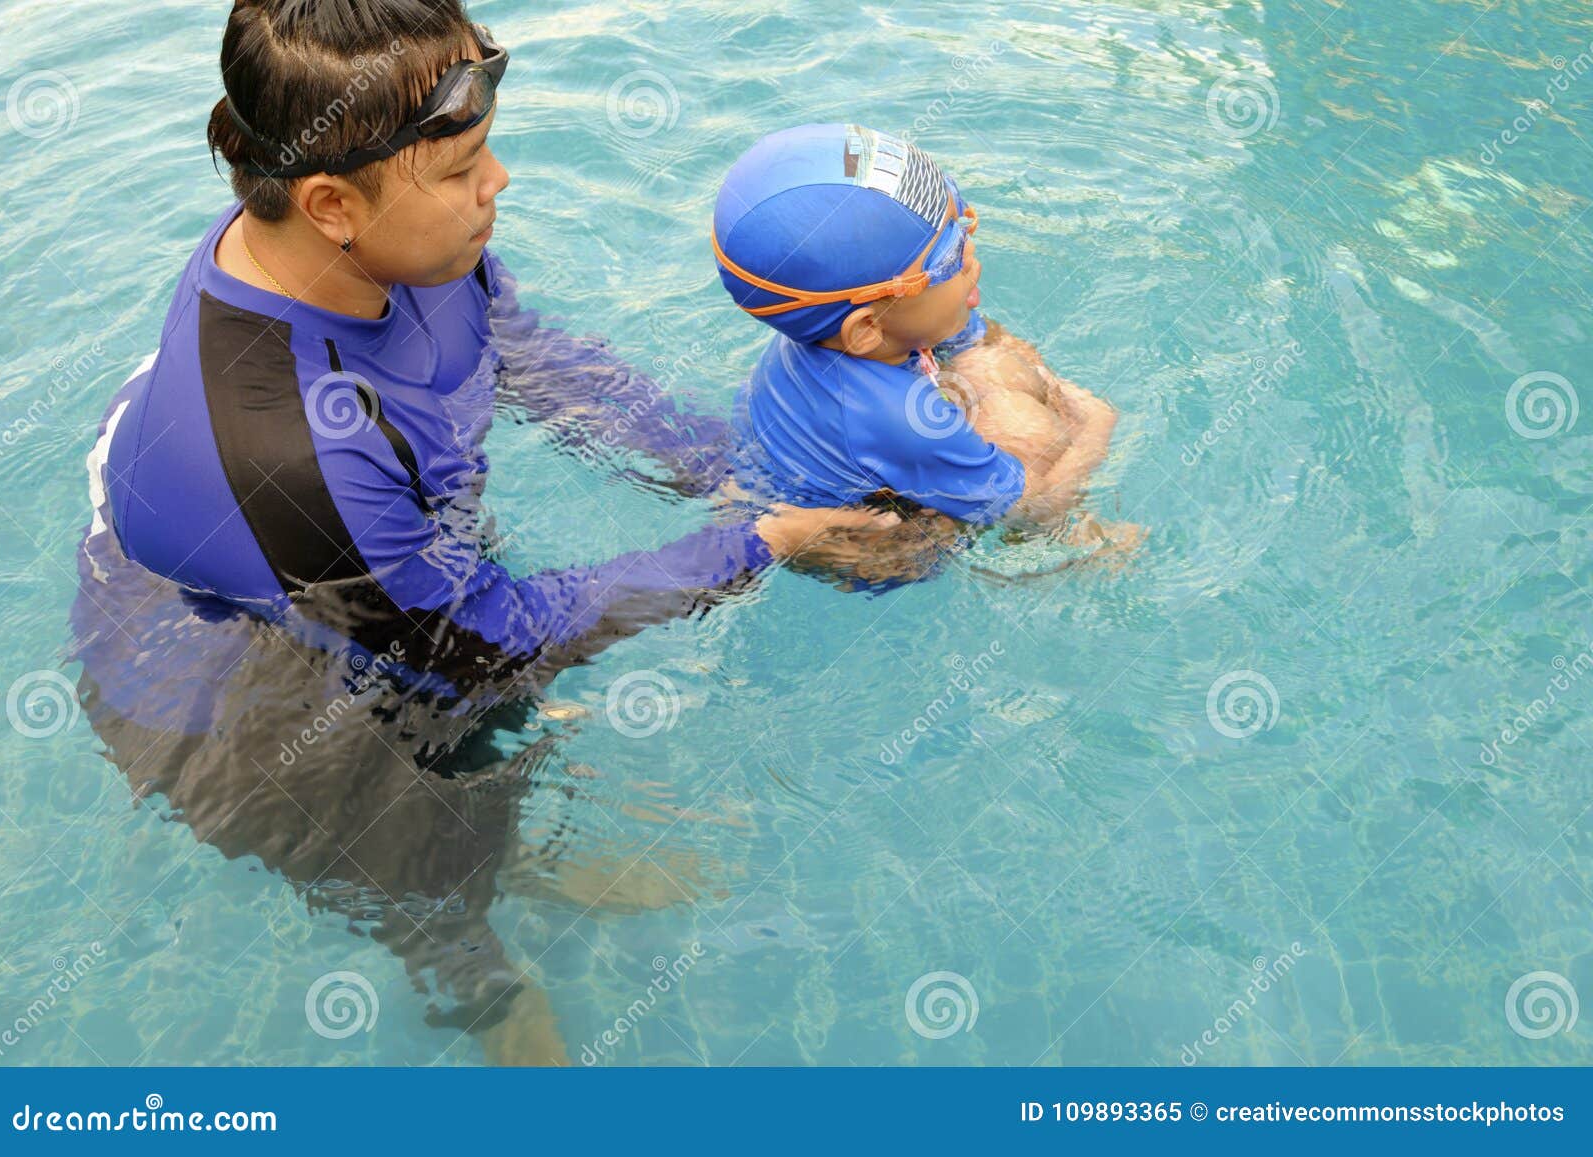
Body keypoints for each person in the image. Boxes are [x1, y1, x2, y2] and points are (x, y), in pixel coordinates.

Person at [75, 0, 905, 1065]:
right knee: (410, 846)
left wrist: (741, 475)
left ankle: (518, 859)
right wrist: (763, 542)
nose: (498, 182)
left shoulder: (381, 246)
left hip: (371, 570)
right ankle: (472, 978)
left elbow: (525, 353)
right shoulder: (285, 451)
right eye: (464, 165)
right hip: (219, 681)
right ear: (330, 201)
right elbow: (474, 641)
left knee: (472, 724)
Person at [712, 123, 1129, 536]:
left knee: (998, 371)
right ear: (867, 328)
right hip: (835, 519)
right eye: (948, 259)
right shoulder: (897, 418)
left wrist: (1040, 386)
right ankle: (779, 539)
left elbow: (987, 339)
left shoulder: (869, 327)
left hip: (777, 453)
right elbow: (1030, 509)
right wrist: (1095, 427)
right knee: (921, 544)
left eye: (962, 225)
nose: (970, 253)